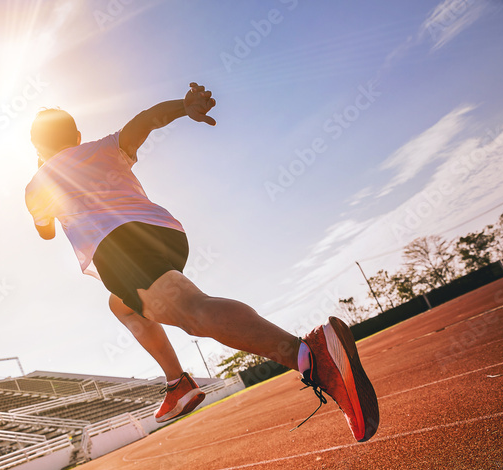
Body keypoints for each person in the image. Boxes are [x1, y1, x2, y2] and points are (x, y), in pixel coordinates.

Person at [24, 83, 379, 441]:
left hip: (119, 249)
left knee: (193, 313)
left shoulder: (38, 185)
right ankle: (177, 382)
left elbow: (46, 232)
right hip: (164, 234)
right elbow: (144, 121)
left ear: (37, 148)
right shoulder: (104, 146)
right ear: (77, 135)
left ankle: (310, 356)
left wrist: (45, 172)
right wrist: (184, 106)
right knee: (122, 306)